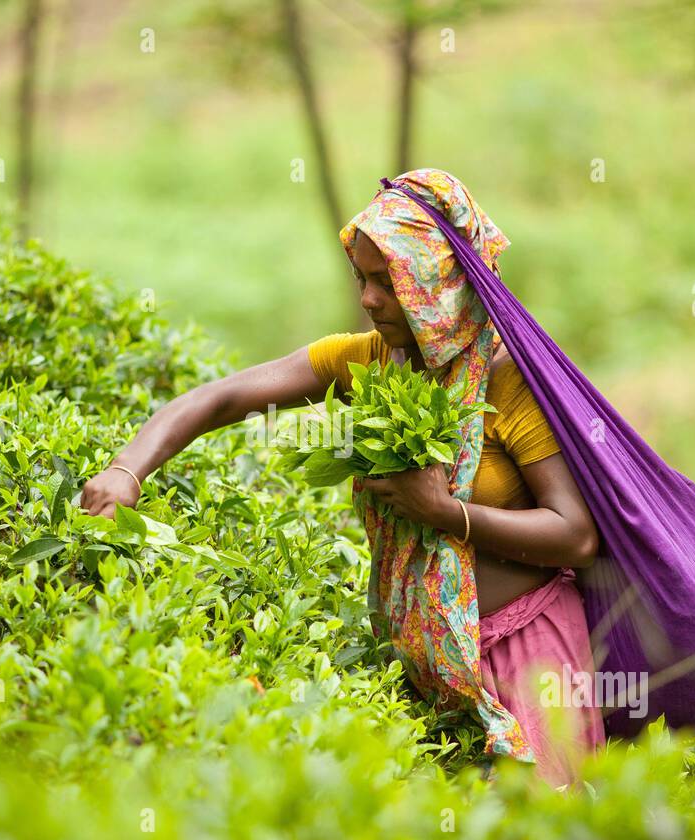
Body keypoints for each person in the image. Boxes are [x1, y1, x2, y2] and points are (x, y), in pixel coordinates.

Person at [82, 168, 606, 788]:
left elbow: (576, 536)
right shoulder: (367, 361)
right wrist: (125, 473)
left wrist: (445, 513)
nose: (368, 299)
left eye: (388, 282)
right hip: (423, 659)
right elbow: (221, 399)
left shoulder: (509, 378)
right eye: (362, 278)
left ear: (439, 283)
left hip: (528, 655)